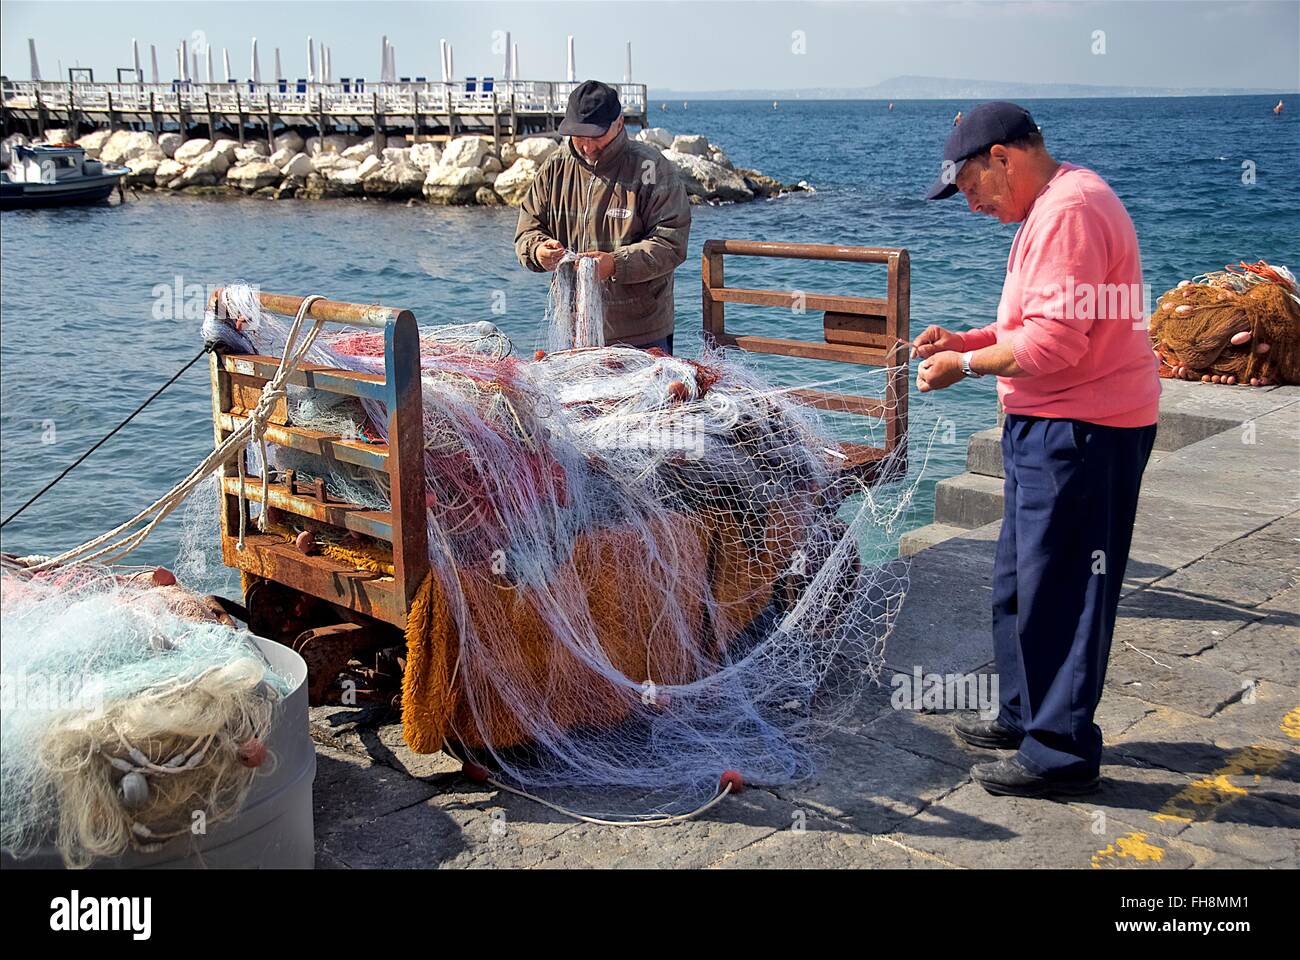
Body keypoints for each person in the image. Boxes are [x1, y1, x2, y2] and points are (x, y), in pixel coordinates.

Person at [916, 101, 1160, 797]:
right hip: (1050, 422)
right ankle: (1025, 714)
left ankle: (1060, 750)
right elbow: (1028, 321)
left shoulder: (1070, 210)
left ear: (1003, 159)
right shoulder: (1050, 206)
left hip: (1086, 428)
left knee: (1067, 591)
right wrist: (966, 340)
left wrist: (963, 369)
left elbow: (1055, 343)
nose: (971, 206)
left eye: (970, 189)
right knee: (1020, 583)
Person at [514, 79, 691, 353]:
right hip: (572, 328)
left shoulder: (652, 168)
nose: (587, 146)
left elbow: (671, 244)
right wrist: (538, 251)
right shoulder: (554, 168)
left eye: (595, 136)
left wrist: (614, 265)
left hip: (640, 334)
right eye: (578, 136)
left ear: (619, 123)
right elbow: (527, 229)